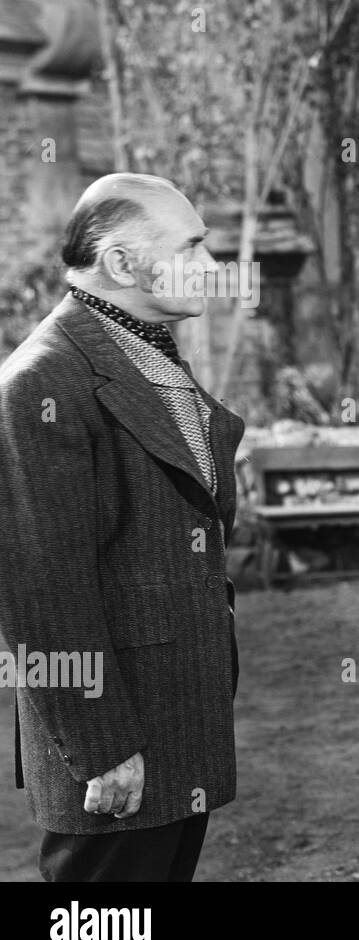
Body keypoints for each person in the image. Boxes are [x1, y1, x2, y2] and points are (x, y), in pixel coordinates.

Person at [0, 173, 244, 880]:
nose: (214, 268)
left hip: (177, 716)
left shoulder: (150, 355)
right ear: (120, 263)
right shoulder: (42, 382)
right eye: (192, 247)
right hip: (114, 744)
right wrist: (102, 744)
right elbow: (39, 593)